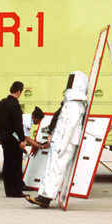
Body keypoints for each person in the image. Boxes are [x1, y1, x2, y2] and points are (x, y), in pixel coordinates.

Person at [26, 71, 89, 208]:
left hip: (64, 142)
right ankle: (43, 195)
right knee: (51, 169)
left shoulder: (74, 104)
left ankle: (46, 197)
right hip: (59, 141)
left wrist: (63, 144)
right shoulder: (72, 103)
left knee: (56, 170)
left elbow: (70, 126)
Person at [0, 81, 27, 197]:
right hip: (13, 136)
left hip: (4, 135)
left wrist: (0, 134)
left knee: (7, 162)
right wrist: (22, 140)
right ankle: (16, 191)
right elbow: (18, 125)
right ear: (19, 92)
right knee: (15, 164)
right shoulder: (15, 106)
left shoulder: (2, 103)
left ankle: (8, 191)